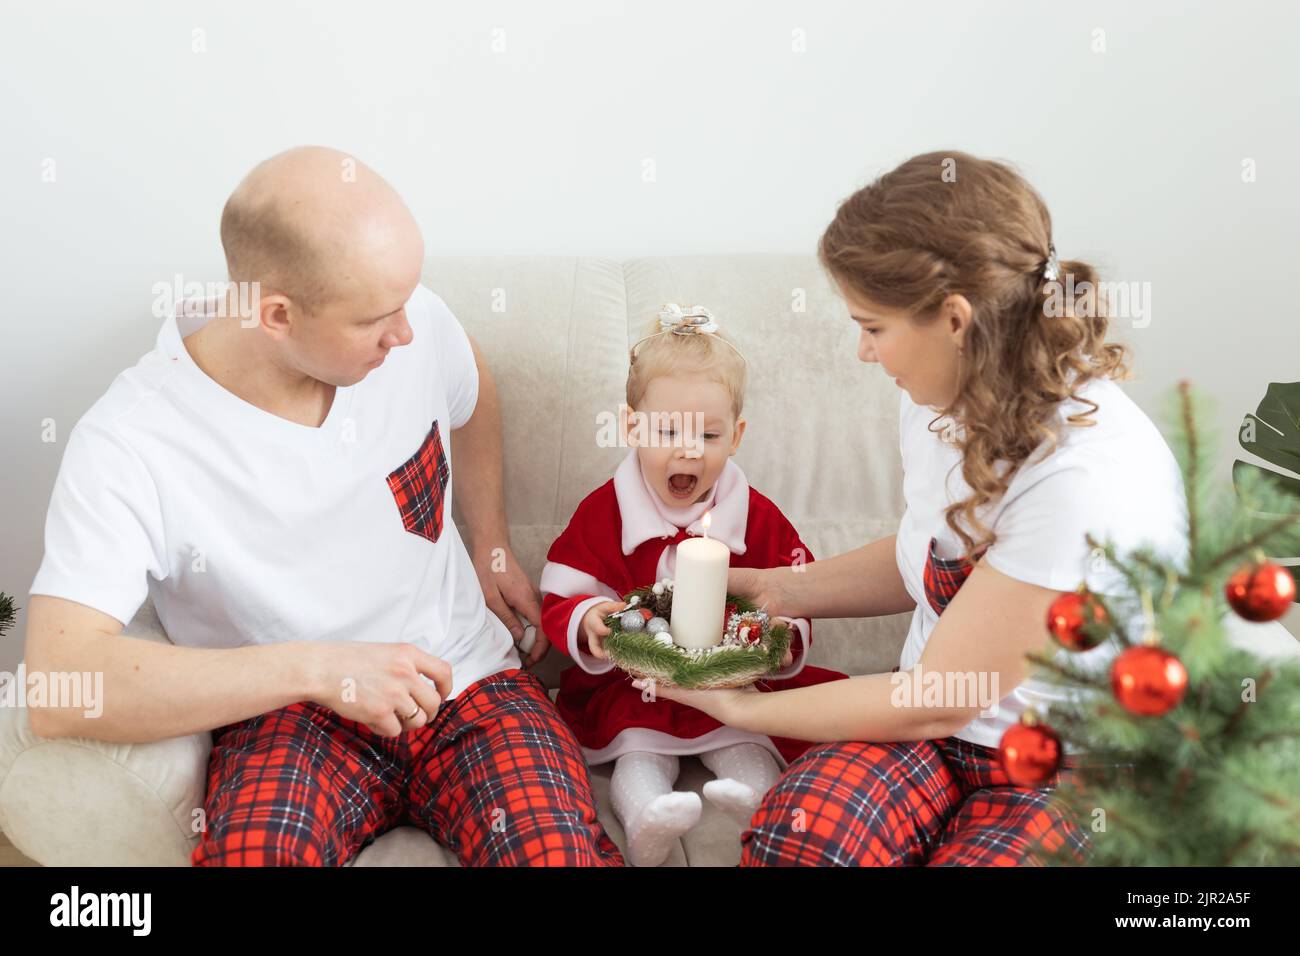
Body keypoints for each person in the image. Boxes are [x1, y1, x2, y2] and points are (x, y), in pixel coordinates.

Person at [23, 145, 623, 867]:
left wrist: (489, 539)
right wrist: (320, 669)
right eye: (377, 319)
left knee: (555, 854)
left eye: (408, 304)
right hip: (289, 722)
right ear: (276, 315)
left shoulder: (414, 326)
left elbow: (470, 387)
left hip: (471, 684)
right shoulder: (132, 440)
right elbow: (61, 683)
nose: (404, 332)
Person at [643, 151, 1188, 866]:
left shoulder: (1081, 479)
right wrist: (781, 587)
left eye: (873, 326)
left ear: (955, 321)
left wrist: (739, 708)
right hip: (934, 738)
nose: (863, 351)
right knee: (800, 840)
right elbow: (929, 555)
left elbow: (940, 697)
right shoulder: (935, 400)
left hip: (1062, 768)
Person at [540, 305, 847, 866]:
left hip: (729, 686)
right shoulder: (605, 511)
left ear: (736, 435)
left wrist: (780, 636)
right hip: (636, 689)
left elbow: (800, 588)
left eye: (708, 434)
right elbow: (561, 592)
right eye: (667, 432)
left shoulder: (756, 514)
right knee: (638, 750)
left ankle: (753, 805)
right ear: (632, 426)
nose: (688, 450)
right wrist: (589, 620)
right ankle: (648, 818)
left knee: (748, 739)